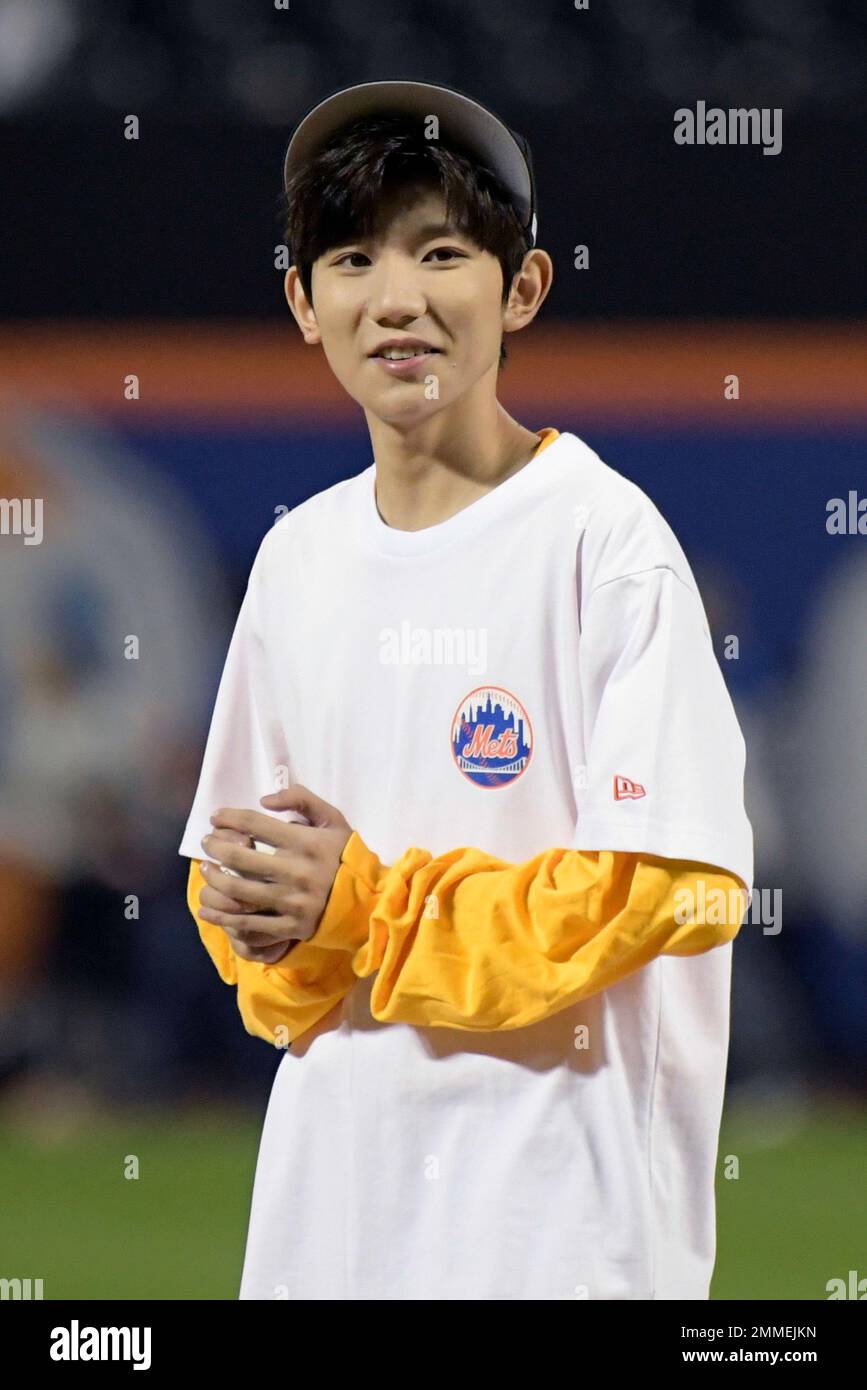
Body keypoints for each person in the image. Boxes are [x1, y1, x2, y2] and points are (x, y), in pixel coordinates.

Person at [178, 80, 753, 1300]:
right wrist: (283, 935)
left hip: (560, 1238)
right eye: (351, 258)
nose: (397, 299)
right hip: (327, 1230)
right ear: (302, 303)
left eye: (442, 252)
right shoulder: (299, 559)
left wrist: (369, 913)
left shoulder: (607, 544)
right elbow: (238, 902)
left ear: (523, 289)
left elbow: (672, 889)